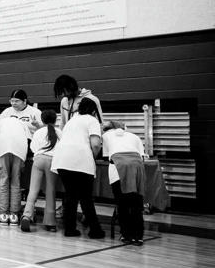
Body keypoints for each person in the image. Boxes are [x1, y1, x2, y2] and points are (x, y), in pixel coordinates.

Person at [50, 98, 105, 238]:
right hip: (81, 160)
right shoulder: (92, 120)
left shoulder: (72, 120)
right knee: (86, 197)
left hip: (62, 159)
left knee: (70, 196)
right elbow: (96, 144)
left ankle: (69, 229)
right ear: (93, 110)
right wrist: (93, 156)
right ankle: (95, 230)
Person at [0, 89, 42, 226]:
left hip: (24, 150)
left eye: (17, 101)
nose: (13, 104)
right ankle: (3, 212)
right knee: (4, 180)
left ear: (25, 101)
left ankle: (14, 213)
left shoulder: (35, 113)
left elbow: (44, 130)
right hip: (4, 148)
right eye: (12, 101)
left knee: (16, 181)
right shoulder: (6, 112)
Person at [102, 121, 146, 245]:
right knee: (136, 203)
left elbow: (106, 156)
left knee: (122, 203)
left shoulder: (106, 136)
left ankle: (126, 235)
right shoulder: (134, 136)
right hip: (136, 167)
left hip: (118, 167)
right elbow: (142, 156)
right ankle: (138, 236)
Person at [20, 109, 61, 232]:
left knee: (33, 190)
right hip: (53, 161)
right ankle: (50, 223)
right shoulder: (59, 132)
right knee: (50, 191)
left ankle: (27, 215)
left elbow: (32, 148)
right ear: (56, 120)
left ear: (42, 120)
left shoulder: (38, 132)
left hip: (38, 160)